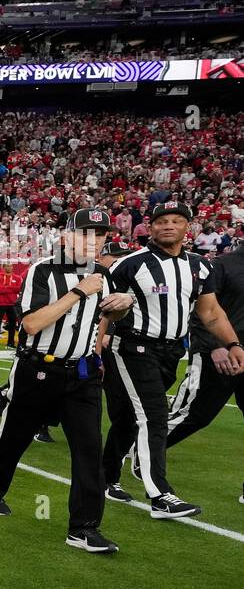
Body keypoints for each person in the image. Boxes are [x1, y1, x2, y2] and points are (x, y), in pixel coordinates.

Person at [0, 209, 134, 553]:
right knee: (15, 437)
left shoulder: (105, 274)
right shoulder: (42, 270)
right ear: (66, 236)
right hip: (38, 369)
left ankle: (84, 528)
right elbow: (31, 324)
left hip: (82, 373)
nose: (94, 241)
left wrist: (122, 304)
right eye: (85, 233)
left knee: (89, 449)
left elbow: (109, 316)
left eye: (100, 235)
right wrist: (78, 291)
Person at [101, 203, 244, 516]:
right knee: (153, 414)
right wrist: (100, 345)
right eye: (161, 221)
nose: (168, 226)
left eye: (176, 221)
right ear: (150, 228)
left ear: (187, 228)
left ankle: (106, 476)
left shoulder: (199, 266)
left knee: (127, 417)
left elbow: (210, 312)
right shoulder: (129, 264)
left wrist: (232, 342)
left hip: (170, 351)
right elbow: (105, 312)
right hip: (133, 346)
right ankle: (160, 494)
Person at [165, 241, 244, 501]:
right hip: (220, 355)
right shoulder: (222, 265)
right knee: (195, 415)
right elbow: (201, 311)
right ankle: (141, 449)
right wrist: (214, 346)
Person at [0, 259, 24, 348]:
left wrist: (6, 288)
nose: (10, 267)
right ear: (4, 267)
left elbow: (19, 289)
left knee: (13, 324)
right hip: (1, 303)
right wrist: (12, 288)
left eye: (11, 266)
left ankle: (10, 343)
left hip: (12, 304)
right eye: (7, 266)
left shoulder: (17, 278)